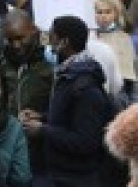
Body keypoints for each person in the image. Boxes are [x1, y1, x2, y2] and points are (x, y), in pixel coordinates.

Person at [20, 15, 114, 187]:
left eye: (51, 37)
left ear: (64, 42)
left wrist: (43, 130)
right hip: (60, 173)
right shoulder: (67, 76)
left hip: (77, 177)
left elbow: (85, 141)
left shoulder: (85, 88)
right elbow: (68, 117)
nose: (48, 44)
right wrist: (42, 117)